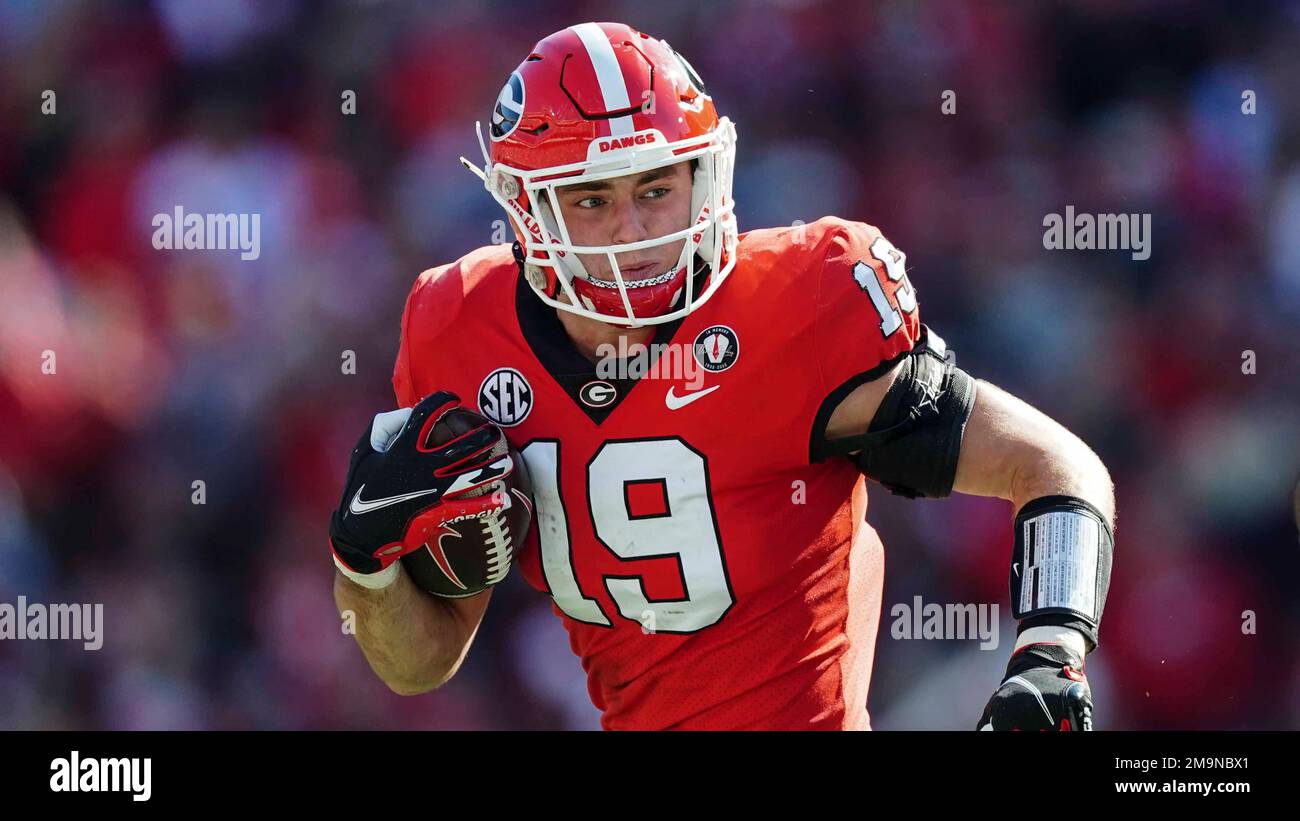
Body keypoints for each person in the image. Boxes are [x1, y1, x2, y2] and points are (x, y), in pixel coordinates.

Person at [330, 21, 1115, 731]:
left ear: (704, 175)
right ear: (525, 209)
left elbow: (1055, 466)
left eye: (655, 189)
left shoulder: (798, 305)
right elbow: (420, 662)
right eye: (591, 199)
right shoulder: (460, 329)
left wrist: (1050, 651)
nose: (632, 232)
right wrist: (362, 564)